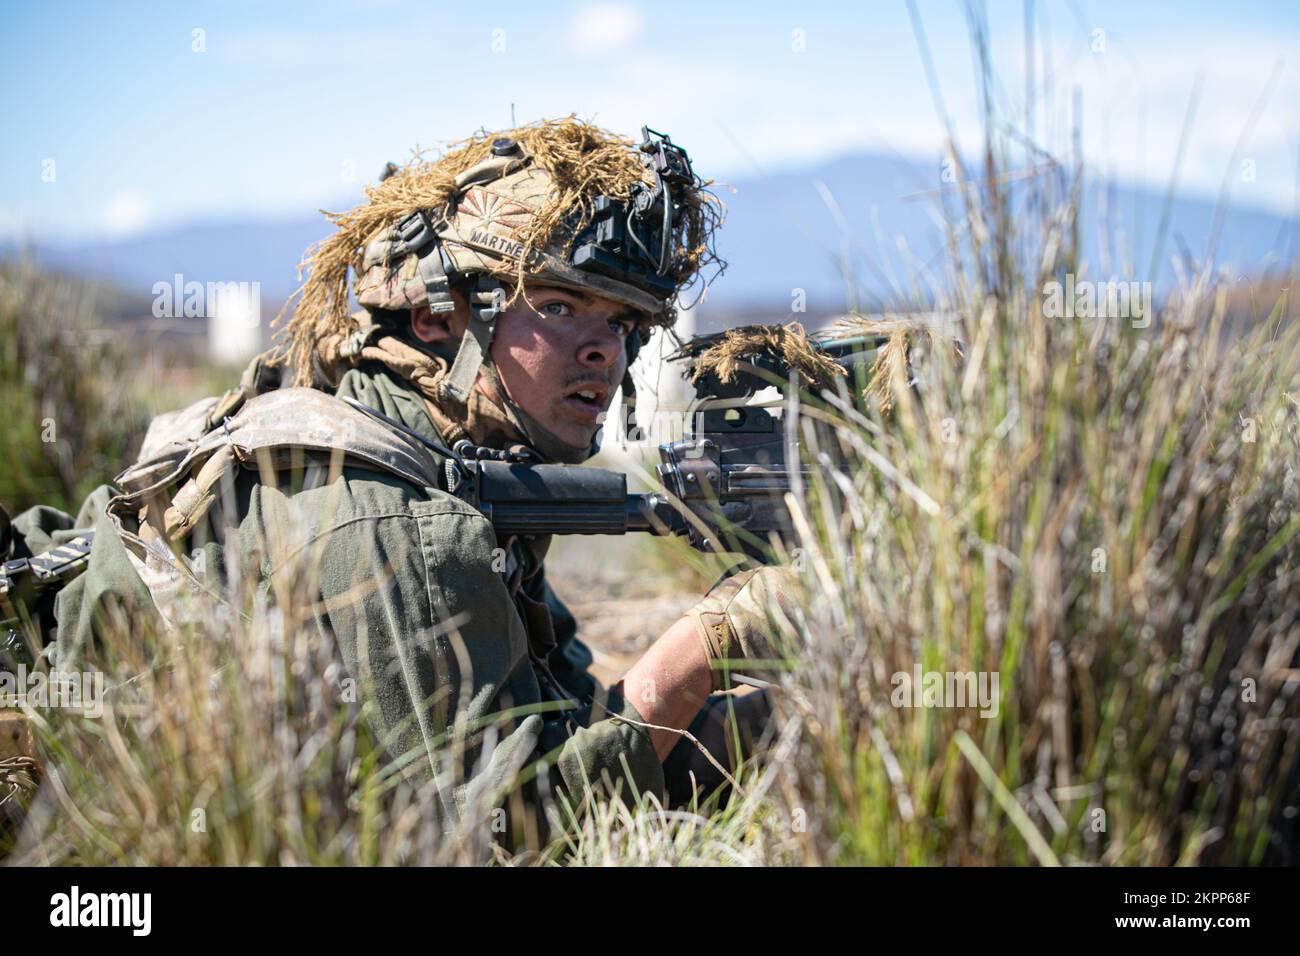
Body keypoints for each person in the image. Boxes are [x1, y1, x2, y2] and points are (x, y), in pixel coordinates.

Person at [4, 118, 784, 840]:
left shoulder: (452, 465)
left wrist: (779, 727)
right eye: (556, 305)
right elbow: (502, 839)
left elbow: (571, 735)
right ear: (439, 317)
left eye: (619, 322)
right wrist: (704, 647)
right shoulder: (389, 520)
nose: (602, 351)